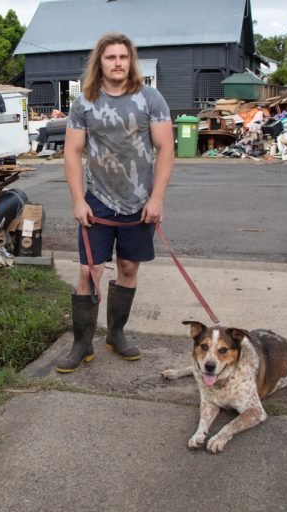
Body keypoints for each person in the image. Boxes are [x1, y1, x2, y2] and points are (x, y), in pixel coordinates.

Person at [56, 32, 175, 373]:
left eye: (124, 57)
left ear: (130, 61)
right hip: (98, 201)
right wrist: (79, 201)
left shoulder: (150, 98)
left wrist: (156, 198)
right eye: (111, 57)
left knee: (127, 268)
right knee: (88, 272)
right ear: (100, 62)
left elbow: (165, 148)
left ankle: (117, 334)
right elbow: (72, 152)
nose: (119, 63)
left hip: (140, 201)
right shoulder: (84, 102)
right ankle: (82, 343)